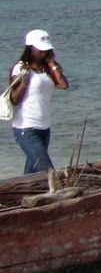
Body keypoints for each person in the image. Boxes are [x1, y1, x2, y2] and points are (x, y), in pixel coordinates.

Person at [9, 29, 69, 175]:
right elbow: (14, 99)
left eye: (47, 49)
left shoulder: (47, 68)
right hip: (26, 127)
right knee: (48, 171)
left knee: (32, 173)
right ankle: (58, 193)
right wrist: (24, 81)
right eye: (41, 50)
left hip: (44, 127)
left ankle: (19, 195)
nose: (44, 53)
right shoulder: (21, 68)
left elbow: (63, 85)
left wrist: (52, 63)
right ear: (31, 49)